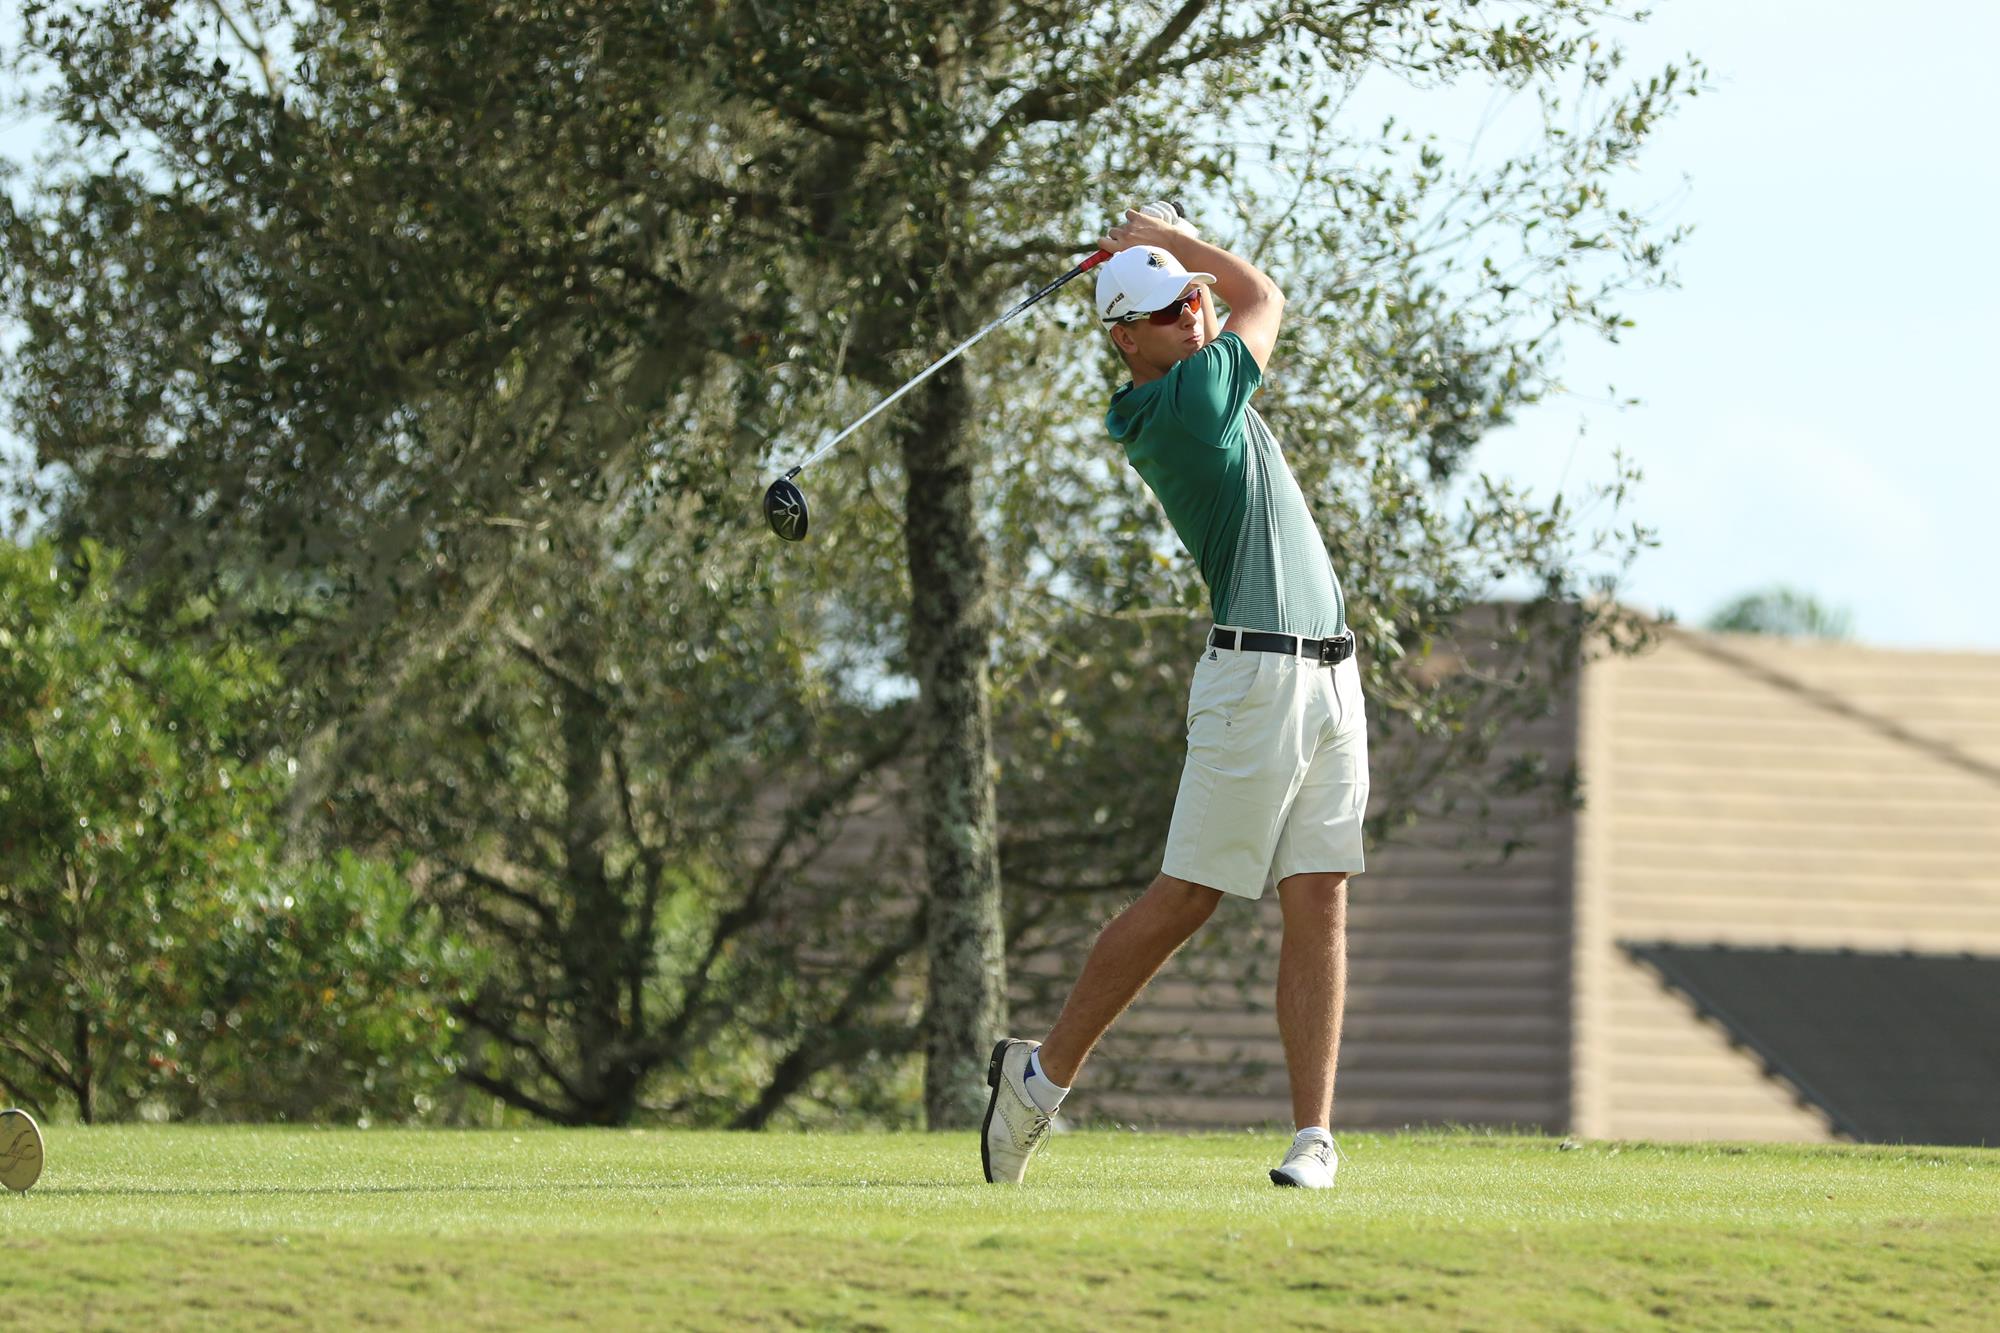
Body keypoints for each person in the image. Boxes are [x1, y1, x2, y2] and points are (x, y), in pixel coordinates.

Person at [981, 204, 1369, 1189]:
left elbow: (1237, 304)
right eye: (1168, 310)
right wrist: (1182, 238)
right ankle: (1038, 1078)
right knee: (1189, 893)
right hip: (1255, 676)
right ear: (1125, 338)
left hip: (1327, 670)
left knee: (1317, 892)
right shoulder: (1186, 403)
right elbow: (1264, 295)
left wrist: (1161, 261)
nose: (1196, 315)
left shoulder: (1187, 379)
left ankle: (1310, 1137)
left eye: (1191, 301)